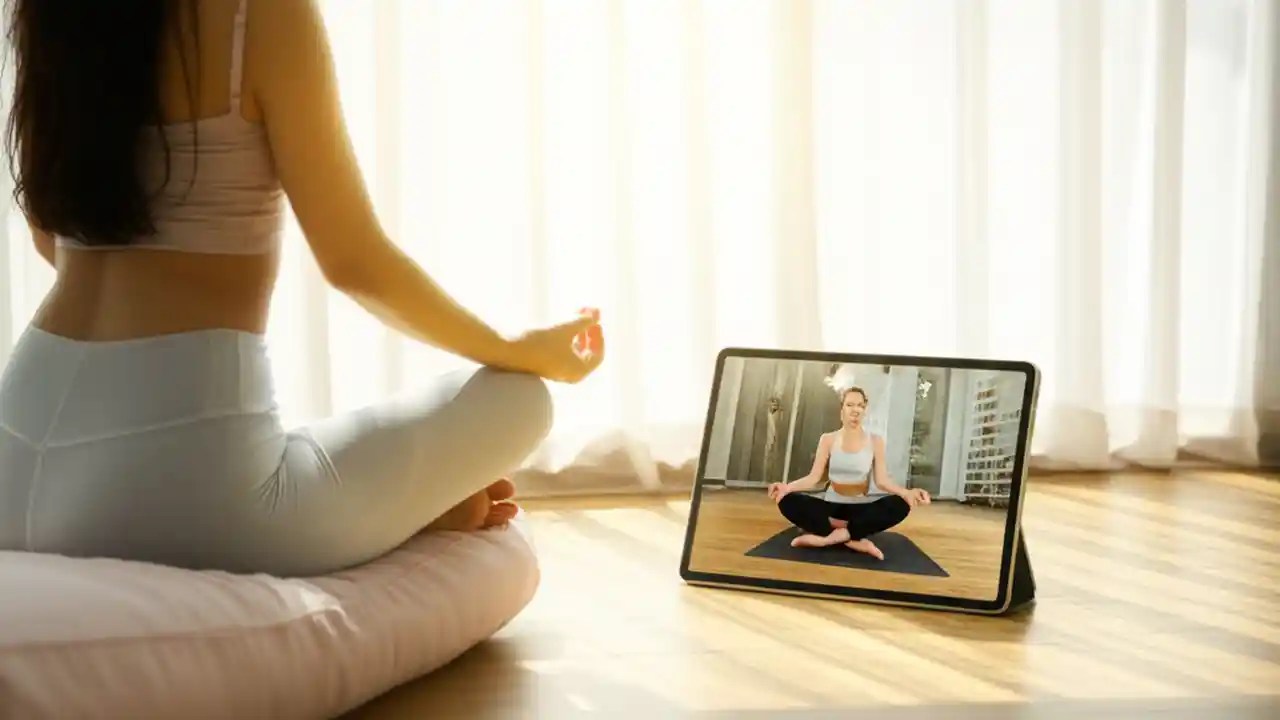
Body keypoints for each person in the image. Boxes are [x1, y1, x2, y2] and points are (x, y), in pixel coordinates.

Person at [0, 0, 604, 577]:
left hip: (16, 454)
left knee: (283, 450)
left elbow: (51, 239)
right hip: (189, 492)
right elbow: (355, 264)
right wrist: (515, 349)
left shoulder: (55, 12)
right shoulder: (257, 12)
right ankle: (399, 512)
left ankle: (386, 507)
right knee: (520, 399)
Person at [766, 387, 929, 560]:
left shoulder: (876, 441)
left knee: (901, 504)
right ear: (841, 410)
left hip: (859, 509)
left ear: (865, 410)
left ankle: (828, 538)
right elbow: (814, 478)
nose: (855, 410)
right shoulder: (828, 439)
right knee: (786, 500)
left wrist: (907, 493)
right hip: (830, 506)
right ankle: (852, 537)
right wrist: (786, 488)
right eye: (850, 405)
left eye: (860, 406)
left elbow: (882, 481)